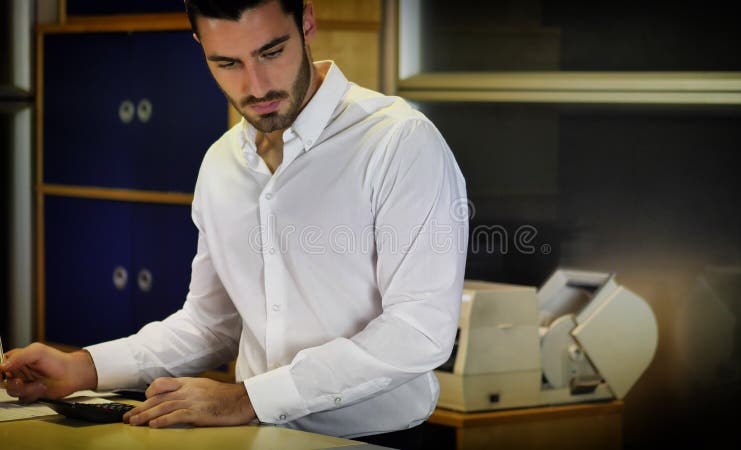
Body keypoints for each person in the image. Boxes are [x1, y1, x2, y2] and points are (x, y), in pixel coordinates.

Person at [1, 0, 467, 443]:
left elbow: (418, 332)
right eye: (227, 63)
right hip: (252, 439)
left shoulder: (400, 142)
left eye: (272, 51)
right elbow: (212, 326)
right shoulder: (221, 163)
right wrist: (83, 368)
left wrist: (248, 399)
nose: (257, 84)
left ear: (306, 22)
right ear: (200, 47)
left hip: (374, 441)